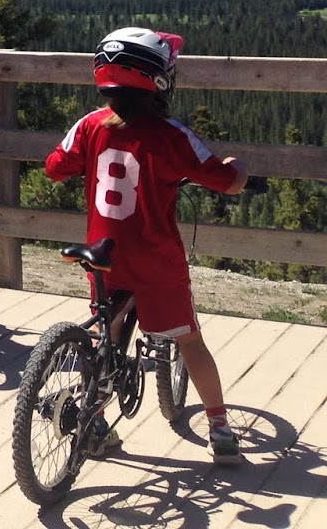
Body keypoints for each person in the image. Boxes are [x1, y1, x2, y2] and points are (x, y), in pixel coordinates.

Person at [45, 26, 248, 465]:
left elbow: (54, 167)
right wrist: (240, 169)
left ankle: (93, 420)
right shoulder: (171, 135)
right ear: (157, 80)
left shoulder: (89, 125)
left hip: (104, 255)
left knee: (107, 332)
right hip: (156, 260)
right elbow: (227, 181)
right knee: (190, 340)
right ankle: (220, 430)